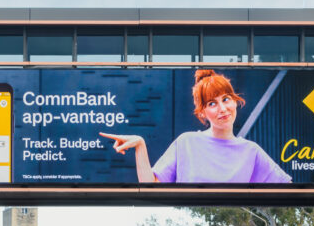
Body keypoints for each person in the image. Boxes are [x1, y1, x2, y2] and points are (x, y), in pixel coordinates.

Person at [101, 69, 291, 183]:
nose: (222, 108)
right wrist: (140, 146)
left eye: (226, 99)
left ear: (235, 101)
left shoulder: (251, 152)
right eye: (212, 103)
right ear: (202, 112)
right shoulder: (187, 143)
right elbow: (151, 186)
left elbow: (288, 194)